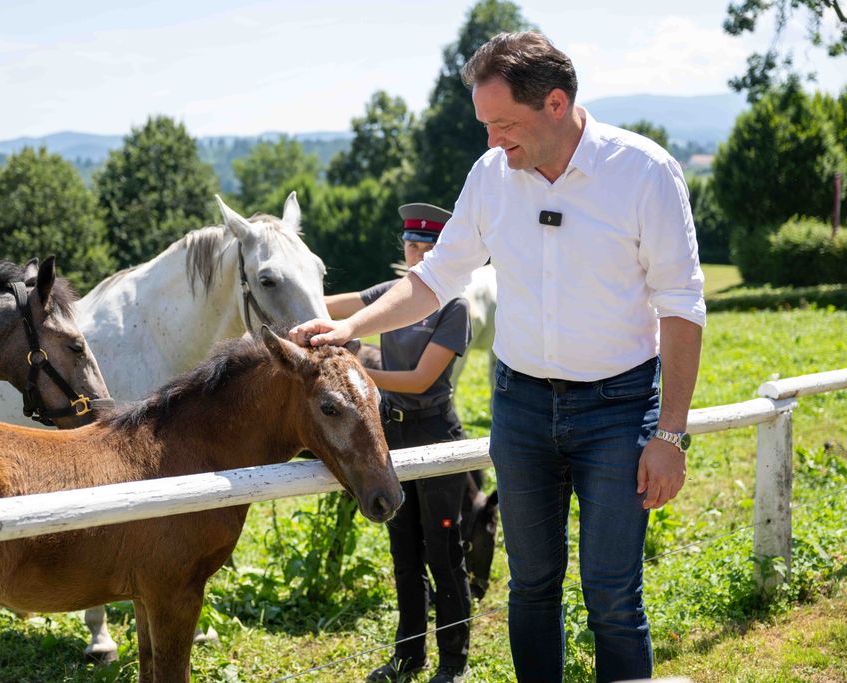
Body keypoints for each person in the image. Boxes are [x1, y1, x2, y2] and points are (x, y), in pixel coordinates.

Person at [291, 31, 705, 683]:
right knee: (532, 585)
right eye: (485, 125)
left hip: (618, 408)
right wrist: (349, 327)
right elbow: (431, 281)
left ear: (557, 105)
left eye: (503, 124)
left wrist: (671, 435)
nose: (492, 142)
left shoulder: (644, 174)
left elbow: (682, 308)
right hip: (522, 406)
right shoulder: (492, 176)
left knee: (612, 594)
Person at [325, 203, 472, 683]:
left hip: (435, 435)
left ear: (442, 251)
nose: (418, 254)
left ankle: (452, 664)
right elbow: (329, 306)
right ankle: (408, 659)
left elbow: (419, 379)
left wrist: (354, 372)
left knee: (443, 553)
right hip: (392, 436)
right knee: (404, 554)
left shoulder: (455, 307)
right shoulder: (389, 294)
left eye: (428, 248)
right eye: (412, 245)